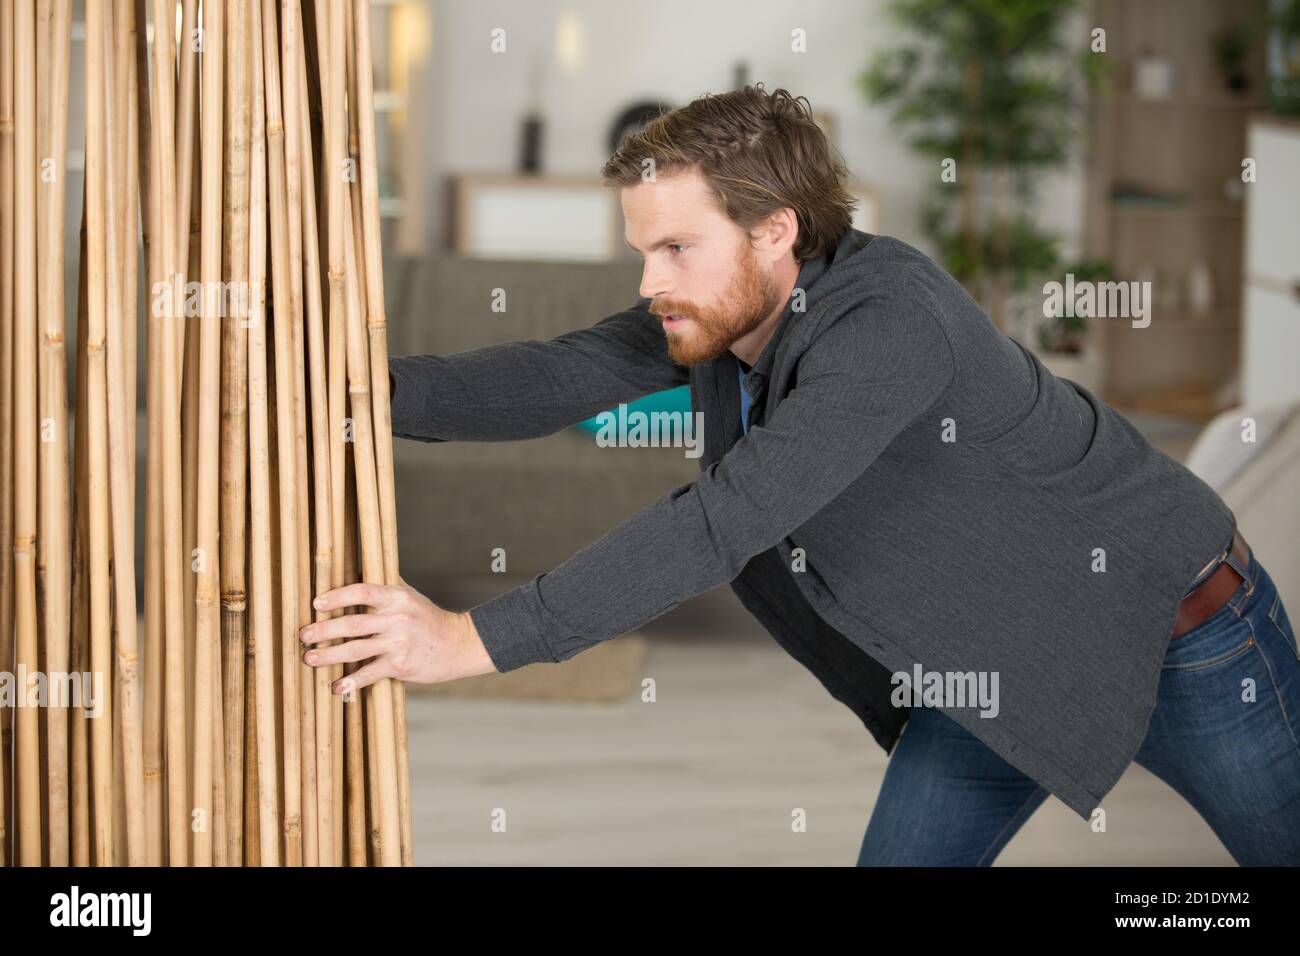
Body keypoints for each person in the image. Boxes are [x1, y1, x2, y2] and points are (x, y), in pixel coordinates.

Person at [299, 84, 1300, 865]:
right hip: (992, 666)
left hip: (1182, 632)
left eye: (676, 247)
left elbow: (719, 520)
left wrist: (470, 637)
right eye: (643, 250)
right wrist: (362, 397)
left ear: (775, 228)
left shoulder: (888, 325)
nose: (651, 280)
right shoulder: (723, 311)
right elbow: (563, 370)